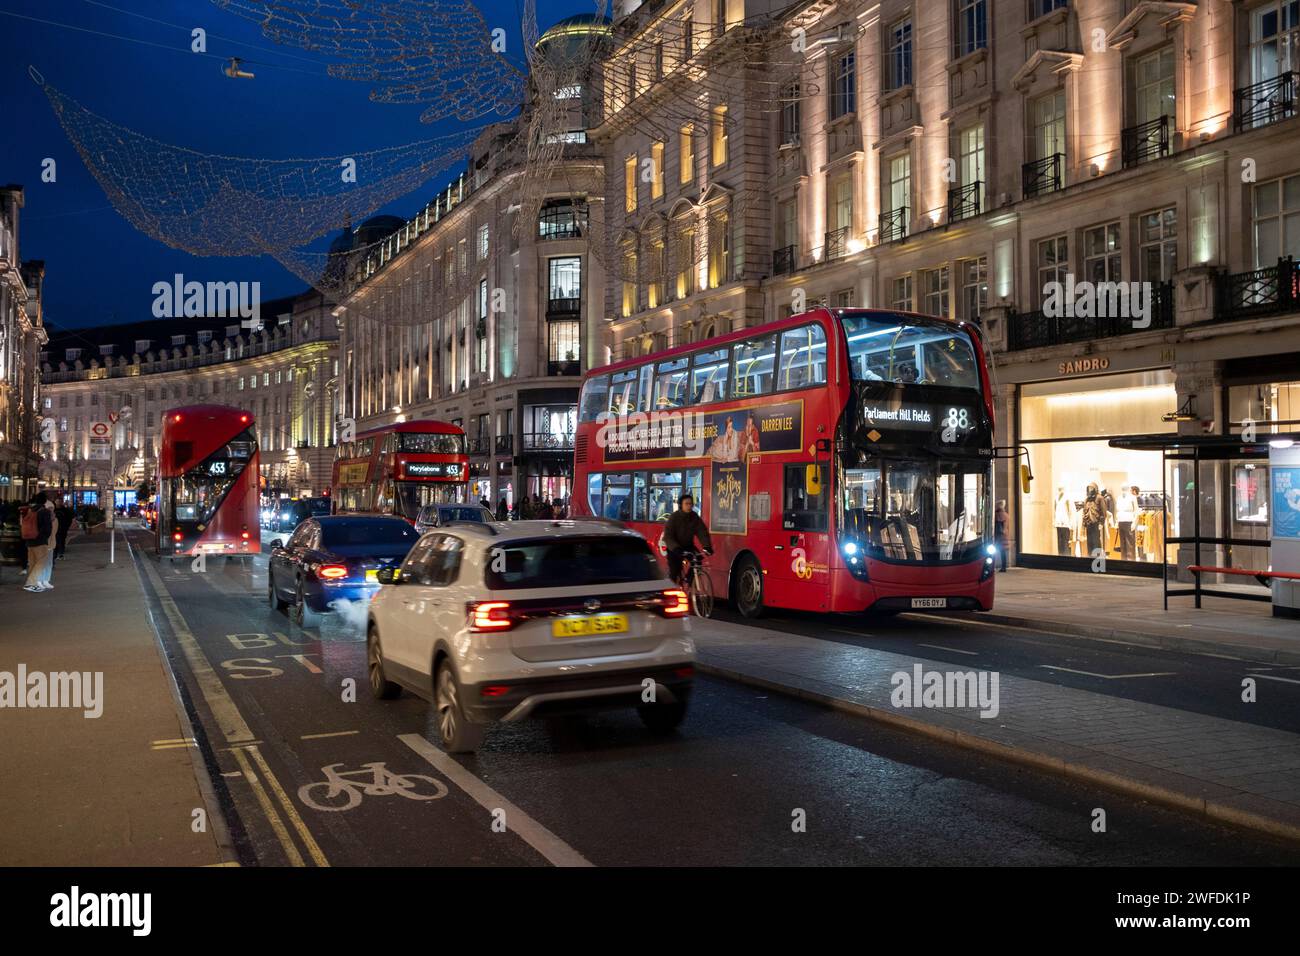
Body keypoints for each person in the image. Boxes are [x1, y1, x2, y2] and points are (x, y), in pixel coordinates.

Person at [662, 493, 713, 587]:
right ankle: (670, 591)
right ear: (681, 505)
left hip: (688, 545)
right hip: (674, 547)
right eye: (687, 504)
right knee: (674, 571)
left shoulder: (694, 517)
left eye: (691, 504)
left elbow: (702, 531)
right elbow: (668, 536)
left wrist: (707, 546)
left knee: (697, 560)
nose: (689, 506)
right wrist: (675, 548)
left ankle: (688, 580)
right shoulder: (674, 517)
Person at [22, 492, 55, 593]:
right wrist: (44, 537)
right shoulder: (44, 511)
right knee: (41, 563)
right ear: (45, 501)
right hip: (40, 541)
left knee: (33, 563)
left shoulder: (30, 510)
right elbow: (47, 528)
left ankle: (34, 584)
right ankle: (30, 584)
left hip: (29, 540)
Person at [1082, 483, 1107, 555]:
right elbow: (1084, 512)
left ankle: (1098, 560)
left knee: (1096, 542)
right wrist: (1084, 524)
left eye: (1092, 488)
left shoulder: (1100, 498)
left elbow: (1103, 511)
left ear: (1095, 488)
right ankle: (1090, 558)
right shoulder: (1087, 499)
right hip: (1088, 524)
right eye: (1089, 488)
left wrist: (1101, 523)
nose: (1090, 490)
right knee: (1089, 542)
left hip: (1096, 524)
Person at [1115, 485, 1138, 560]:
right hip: (1121, 521)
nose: (1123, 489)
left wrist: (1134, 522)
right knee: (1123, 543)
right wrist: (1116, 522)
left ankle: (1131, 561)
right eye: (1122, 487)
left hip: (1129, 522)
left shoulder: (1132, 497)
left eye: (1125, 487)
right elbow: (1117, 511)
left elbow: (1136, 511)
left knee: (1130, 544)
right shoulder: (1118, 498)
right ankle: (1123, 561)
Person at [53, 492, 73, 561]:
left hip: (62, 529)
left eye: (60, 502)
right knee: (55, 541)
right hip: (54, 529)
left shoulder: (65, 510)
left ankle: (61, 554)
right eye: (57, 501)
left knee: (61, 541)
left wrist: (66, 526)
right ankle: (55, 554)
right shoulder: (53, 510)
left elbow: (69, 519)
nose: (58, 503)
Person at [1053, 487, 1073, 556]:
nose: (1060, 490)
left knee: (1065, 542)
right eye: (1059, 488)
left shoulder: (1067, 498)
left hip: (1065, 523)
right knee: (1060, 541)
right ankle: (1060, 555)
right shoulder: (1056, 498)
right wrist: (1055, 521)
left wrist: (1070, 523)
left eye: (1061, 488)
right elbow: (1055, 510)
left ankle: (1067, 557)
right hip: (1058, 523)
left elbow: (1070, 511)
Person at [993, 499, 1010, 572]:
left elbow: (997, 525)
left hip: (998, 536)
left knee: (992, 551)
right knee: (1002, 552)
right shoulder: (1006, 515)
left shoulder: (998, 515)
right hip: (1004, 535)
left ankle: (993, 566)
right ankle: (1003, 567)